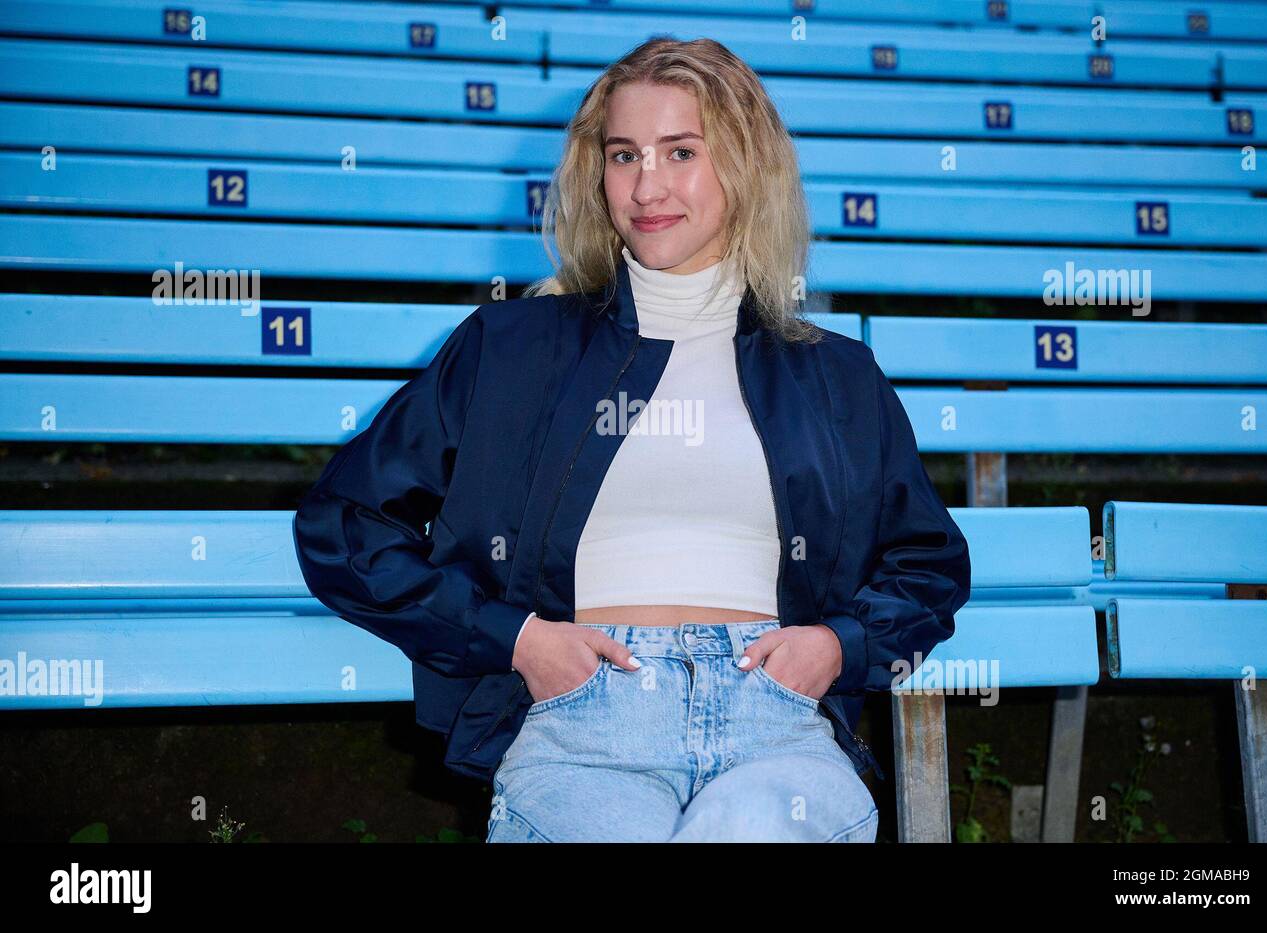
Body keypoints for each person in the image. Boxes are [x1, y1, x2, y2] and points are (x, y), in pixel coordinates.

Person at [292, 36, 971, 843]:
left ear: (746, 167)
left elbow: (928, 565)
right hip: (584, 729)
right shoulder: (511, 348)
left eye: (681, 151)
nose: (647, 185)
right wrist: (513, 637)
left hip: (776, 725)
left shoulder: (836, 376)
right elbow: (344, 524)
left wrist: (838, 645)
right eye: (624, 155)